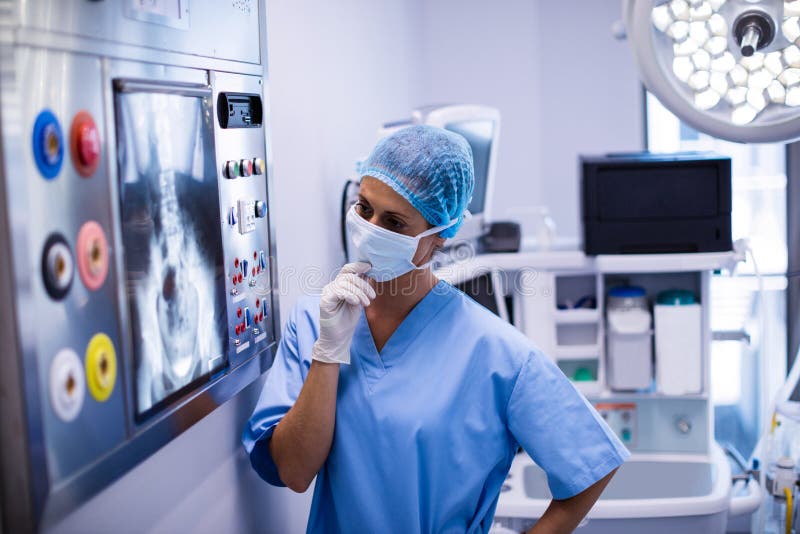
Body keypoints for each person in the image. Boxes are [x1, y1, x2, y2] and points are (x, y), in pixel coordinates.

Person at [242, 125, 629, 533]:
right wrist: (328, 354)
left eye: (394, 222)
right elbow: (294, 473)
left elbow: (591, 467)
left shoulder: (496, 352)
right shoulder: (314, 322)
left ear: (438, 236)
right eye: (364, 208)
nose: (370, 228)